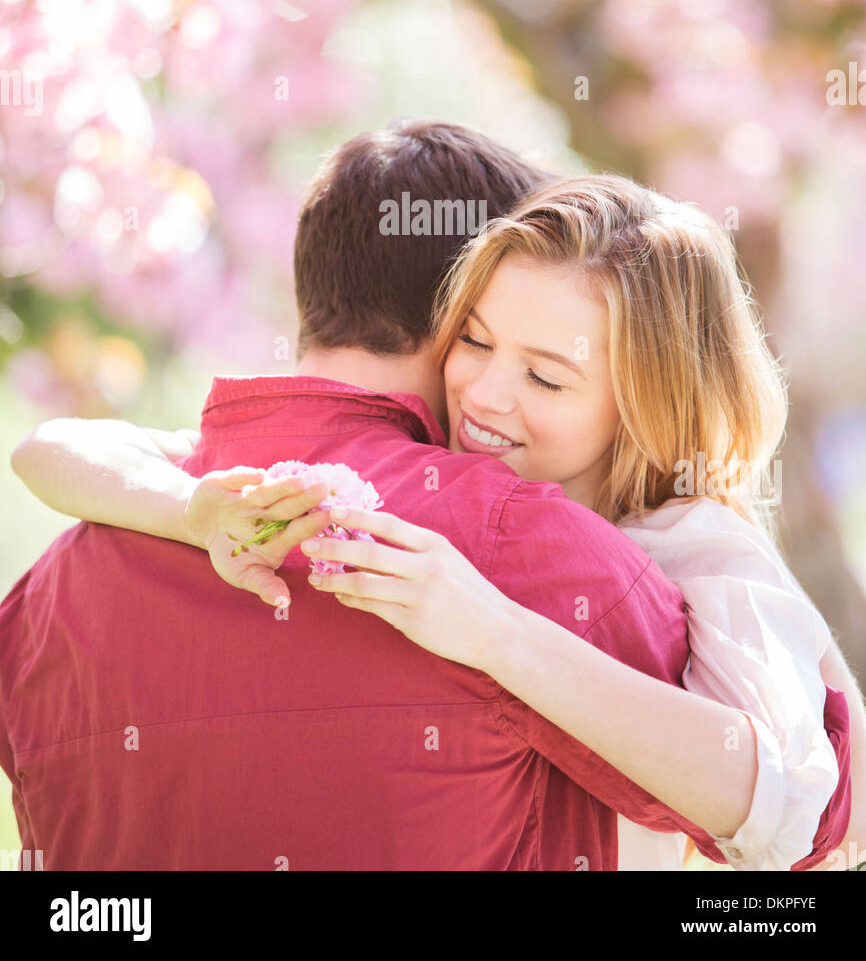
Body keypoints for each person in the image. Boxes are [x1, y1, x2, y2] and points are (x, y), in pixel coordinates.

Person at [5, 125, 853, 869]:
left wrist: (491, 630)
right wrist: (190, 513)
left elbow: (799, 817)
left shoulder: (692, 555)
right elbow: (53, 447)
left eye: (546, 376)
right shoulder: (233, 495)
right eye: (474, 341)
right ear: (451, 304)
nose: (484, 395)